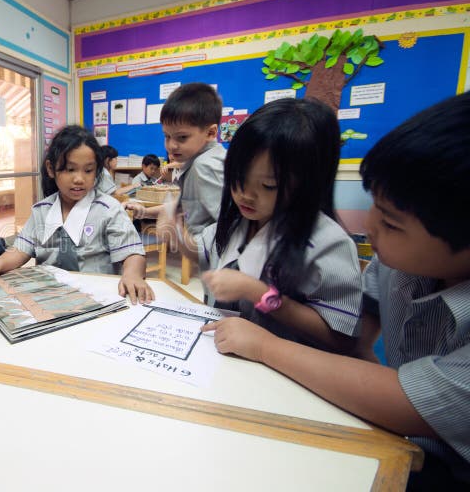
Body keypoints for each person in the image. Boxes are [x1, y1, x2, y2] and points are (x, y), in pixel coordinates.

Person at [203, 92, 470, 489]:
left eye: (392, 223)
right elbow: (358, 346)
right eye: (374, 203)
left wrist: (261, 301)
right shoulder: (395, 264)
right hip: (261, 382)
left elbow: (344, 342)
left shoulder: (326, 242)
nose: (370, 229)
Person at [163, 98, 362, 351]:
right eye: (238, 178)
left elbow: (340, 337)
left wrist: (257, 293)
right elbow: (202, 252)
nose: (246, 195)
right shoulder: (238, 222)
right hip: (223, 358)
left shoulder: (328, 243)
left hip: (283, 376)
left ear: (308, 183)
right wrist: (176, 232)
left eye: (268, 186)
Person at [0, 125, 154, 304]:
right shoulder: (41, 210)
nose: (79, 179)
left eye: (88, 170)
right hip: (49, 297)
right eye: (70, 170)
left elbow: (132, 253)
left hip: (96, 298)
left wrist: (132, 274)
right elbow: (20, 251)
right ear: (51, 169)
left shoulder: (109, 209)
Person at [125, 82, 225, 238]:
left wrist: (179, 239)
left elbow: (230, 226)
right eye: (167, 136)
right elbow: (183, 206)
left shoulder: (204, 166)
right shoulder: (198, 161)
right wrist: (144, 211)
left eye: (182, 137)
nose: (171, 145)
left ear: (211, 133)